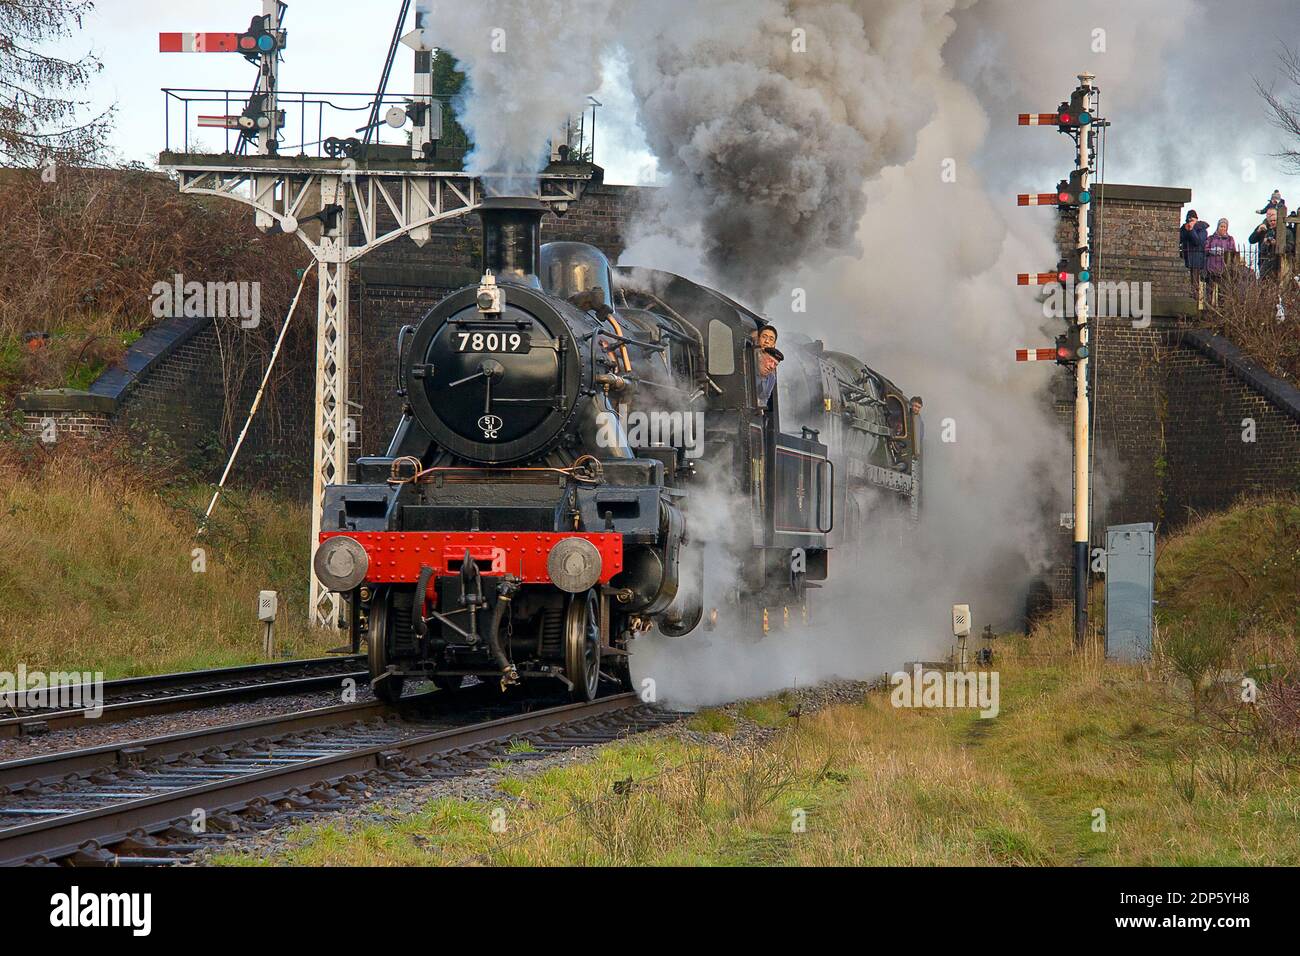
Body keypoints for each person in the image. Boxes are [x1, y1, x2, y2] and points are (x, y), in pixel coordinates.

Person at [1204, 219, 1236, 298]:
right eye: (1221, 226)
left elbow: (1233, 252)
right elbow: (1205, 250)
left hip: (1224, 269)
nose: (1223, 228)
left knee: (1222, 293)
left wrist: (1225, 252)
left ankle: (1222, 309)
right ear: (1218, 227)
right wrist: (1212, 251)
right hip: (1211, 268)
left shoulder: (1230, 239)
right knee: (1209, 292)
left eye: (1225, 227)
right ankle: (1208, 309)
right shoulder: (1210, 238)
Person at [1179, 209, 1209, 294]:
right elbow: (1178, 240)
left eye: (1192, 219)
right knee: (1184, 283)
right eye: (1189, 220)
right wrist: (1185, 230)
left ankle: (1195, 301)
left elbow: (1197, 242)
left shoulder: (1202, 229)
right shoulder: (1184, 228)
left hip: (1196, 260)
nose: (1190, 221)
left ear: (1196, 219)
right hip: (1185, 258)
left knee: (1194, 284)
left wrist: (1192, 230)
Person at [1250, 207, 1280, 278]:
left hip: (1277, 260)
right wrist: (1258, 231)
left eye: (1272, 214)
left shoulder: (1281, 228)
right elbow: (1251, 240)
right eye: (1268, 214)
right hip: (1263, 259)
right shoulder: (1261, 227)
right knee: (1263, 283)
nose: (1270, 216)